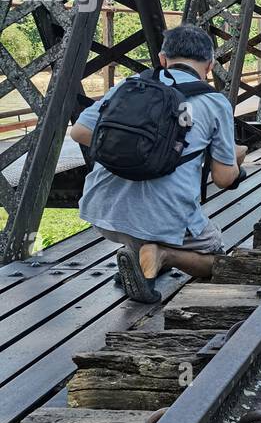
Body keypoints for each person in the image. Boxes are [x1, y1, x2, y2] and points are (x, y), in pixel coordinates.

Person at [69, 24, 247, 303]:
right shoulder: (214, 102)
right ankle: (162, 255)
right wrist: (237, 158)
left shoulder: (129, 85)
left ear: (163, 59)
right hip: (162, 216)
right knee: (216, 258)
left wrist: (136, 148)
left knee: (146, 229)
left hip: (102, 210)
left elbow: (78, 131)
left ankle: (140, 255)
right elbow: (224, 178)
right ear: (210, 66)